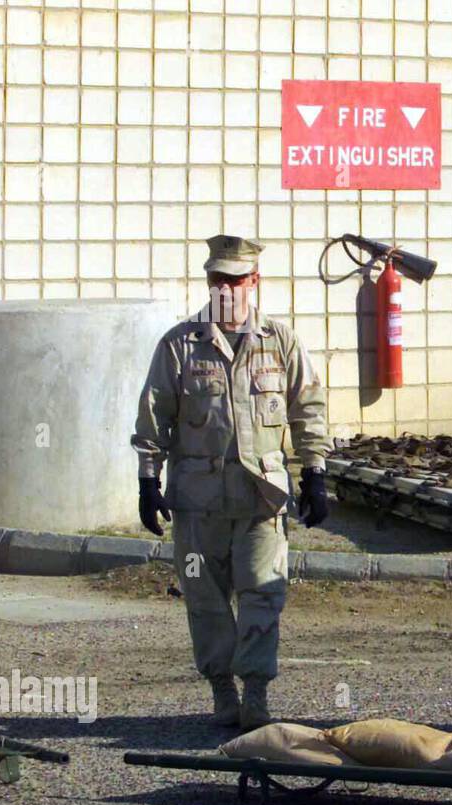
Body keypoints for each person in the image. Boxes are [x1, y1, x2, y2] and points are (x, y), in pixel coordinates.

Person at [131, 235, 330, 730]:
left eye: (235, 280)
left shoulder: (280, 343)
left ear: (253, 282)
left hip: (261, 500)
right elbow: (154, 416)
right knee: (205, 598)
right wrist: (147, 482)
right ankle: (222, 690)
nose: (225, 289)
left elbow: (308, 409)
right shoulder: (180, 345)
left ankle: (256, 692)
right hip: (199, 504)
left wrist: (316, 474)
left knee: (263, 592)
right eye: (216, 280)